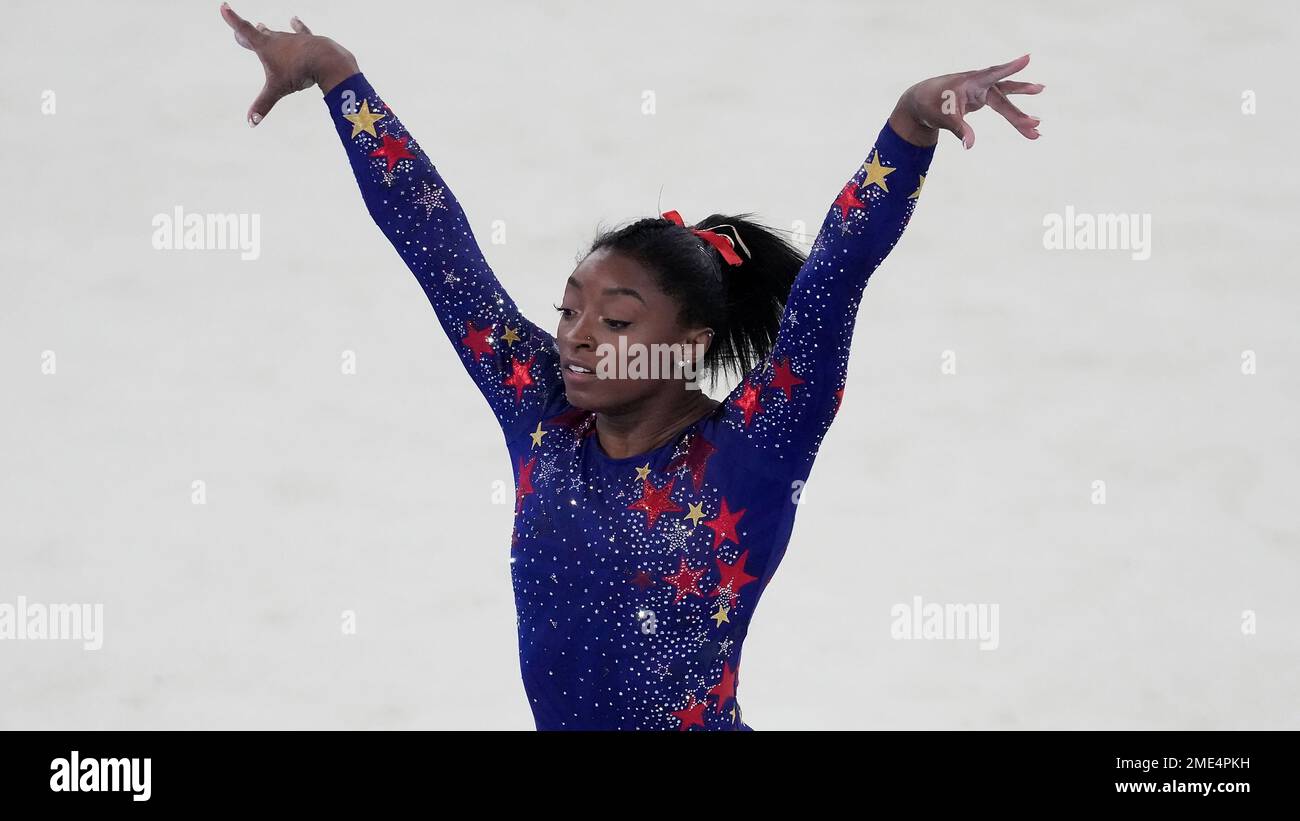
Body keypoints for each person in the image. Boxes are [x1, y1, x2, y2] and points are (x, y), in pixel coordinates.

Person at [219, 3, 1043, 730]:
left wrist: (910, 123)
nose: (575, 336)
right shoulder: (544, 420)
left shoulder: (753, 449)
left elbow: (834, 276)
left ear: (688, 342)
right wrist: (335, 74)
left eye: (615, 320)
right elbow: (438, 248)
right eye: (568, 308)